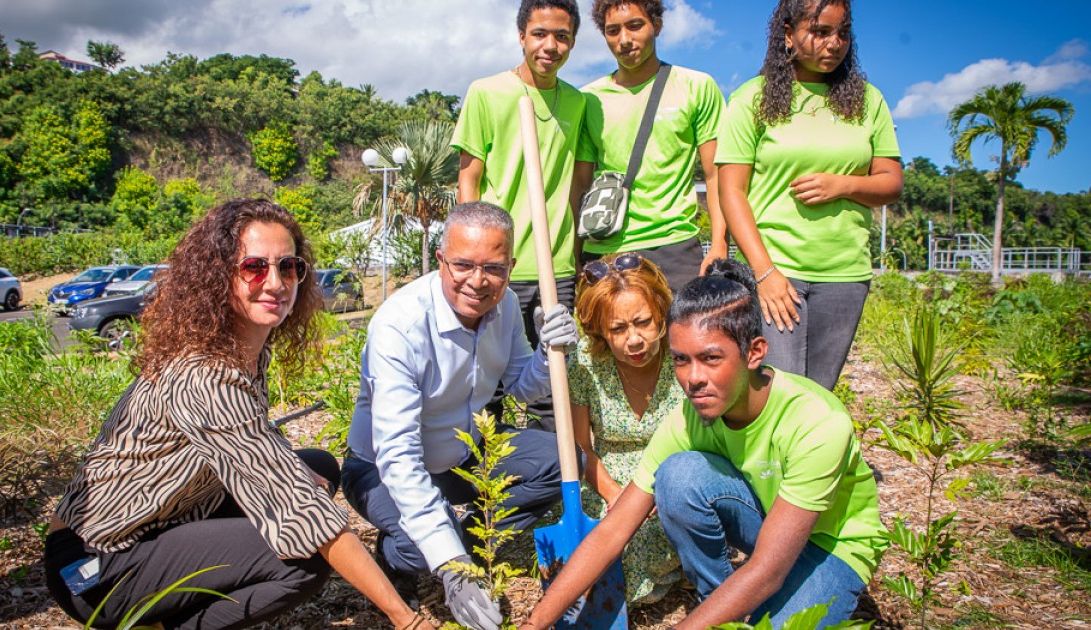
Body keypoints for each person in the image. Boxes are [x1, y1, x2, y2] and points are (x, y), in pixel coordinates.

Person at [45, 199, 434, 630]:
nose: (275, 282)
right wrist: (405, 619)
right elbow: (304, 517)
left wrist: (291, 470)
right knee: (303, 560)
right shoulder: (205, 375)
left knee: (317, 466)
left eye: (288, 267)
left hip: (166, 517)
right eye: (253, 267)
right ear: (217, 275)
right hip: (98, 565)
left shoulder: (245, 348)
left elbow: (252, 438)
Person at [522, 258, 887, 630]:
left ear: (755, 352)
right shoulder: (687, 417)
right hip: (764, 522)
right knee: (678, 476)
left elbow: (767, 571)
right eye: (681, 360)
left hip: (827, 544)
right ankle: (717, 599)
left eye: (711, 359)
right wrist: (535, 623)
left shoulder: (816, 422)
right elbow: (614, 531)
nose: (694, 378)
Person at [342, 202, 579, 630]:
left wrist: (548, 352)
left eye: (493, 267)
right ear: (441, 260)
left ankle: (463, 535)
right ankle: (403, 555)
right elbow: (398, 458)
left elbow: (522, 389)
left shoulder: (504, 306)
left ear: (511, 266)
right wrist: (453, 567)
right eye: (463, 265)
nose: (477, 281)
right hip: (379, 469)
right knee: (419, 550)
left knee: (563, 461)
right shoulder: (401, 327)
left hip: (463, 455)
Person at [714, 0, 903, 391]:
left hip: (845, 275)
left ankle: (813, 455)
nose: (834, 43)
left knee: (820, 395)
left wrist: (845, 184)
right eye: (820, 32)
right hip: (777, 273)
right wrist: (764, 273)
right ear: (788, 34)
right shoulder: (752, 99)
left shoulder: (869, 102)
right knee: (778, 392)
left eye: (843, 32)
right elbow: (732, 191)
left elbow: (891, 183)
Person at [451, 0, 595, 430]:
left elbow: (577, 188)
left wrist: (576, 251)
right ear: (521, 37)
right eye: (539, 34)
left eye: (562, 36)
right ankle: (484, 491)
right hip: (495, 267)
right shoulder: (487, 92)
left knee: (552, 389)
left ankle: (547, 486)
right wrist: (470, 257)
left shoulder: (578, 103)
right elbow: (468, 183)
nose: (550, 46)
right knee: (483, 387)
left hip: (557, 268)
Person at [580, 0, 728, 290]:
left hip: (675, 247)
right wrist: (575, 254)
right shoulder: (589, 99)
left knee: (681, 335)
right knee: (609, 337)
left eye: (635, 26)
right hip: (606, 247)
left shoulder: (696, 86)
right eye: (613, 31)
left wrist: (720, 243)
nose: (624, 40)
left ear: (656, 25)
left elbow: (715, 175)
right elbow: (579, 185)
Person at [568, 252, 682, 604]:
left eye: (643, 322)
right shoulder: (585, 364)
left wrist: (661, 491)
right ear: (599, 330)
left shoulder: (684, 353)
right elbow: (578, 449)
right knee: (603, 540)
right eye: (618, 329)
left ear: (661, 312)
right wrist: (616, 495)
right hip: (606, 477)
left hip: (675, 474)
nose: (634, 340)